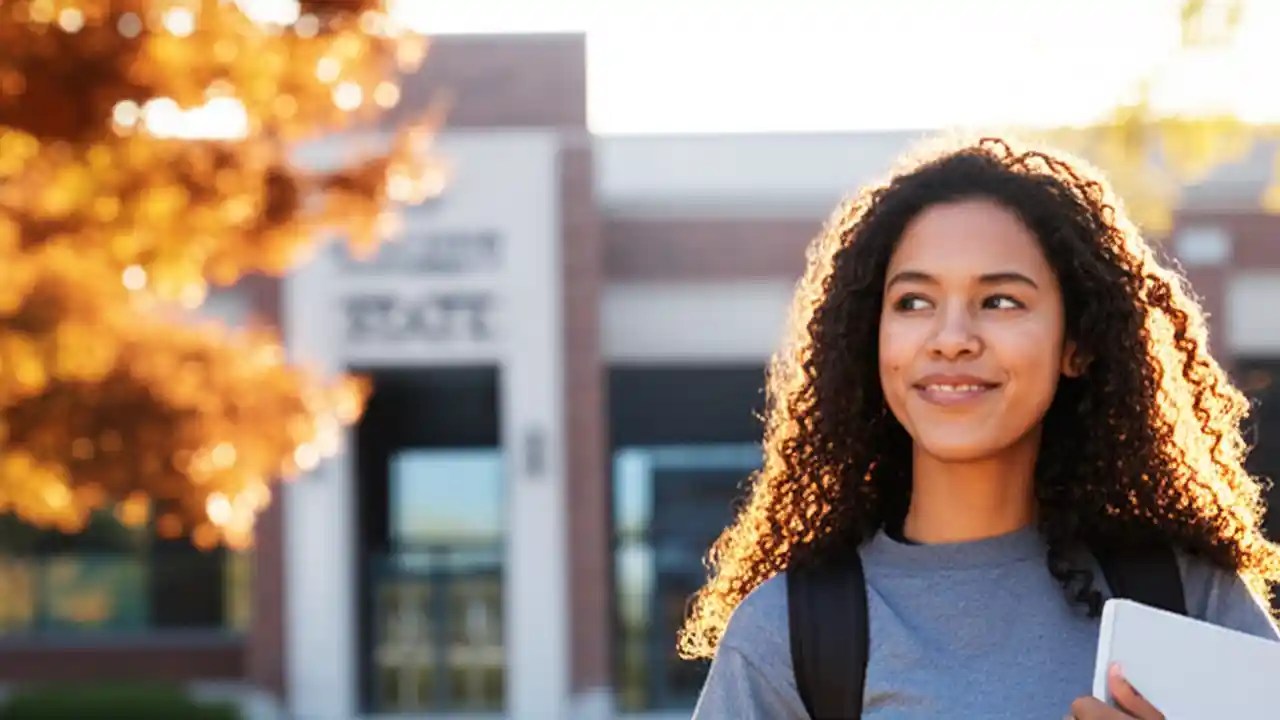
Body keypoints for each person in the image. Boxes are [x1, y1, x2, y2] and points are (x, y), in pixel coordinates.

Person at [678, 136, 1280, 719]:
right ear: (873, 338)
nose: (952, 339)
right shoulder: (790, 635)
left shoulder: (1186, 600)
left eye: (1000, 302)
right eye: (914, 302)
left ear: (1076, 344)